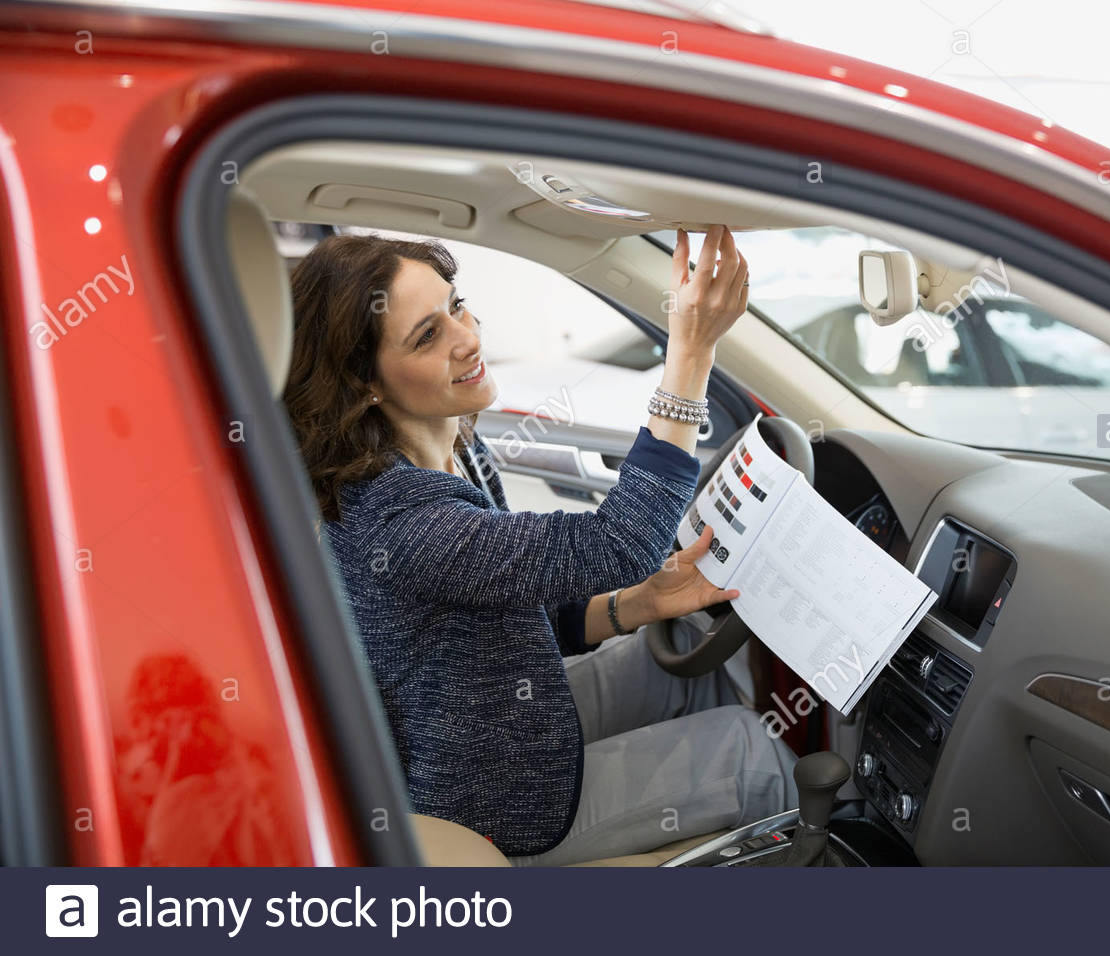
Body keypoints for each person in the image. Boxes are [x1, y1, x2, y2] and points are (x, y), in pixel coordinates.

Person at [283, 224, 797, 865]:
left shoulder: (455, 449)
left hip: (512, 720)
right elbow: (619, 546)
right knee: (760, 750)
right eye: (427, 336)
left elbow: (506, 611)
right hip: (498, 807)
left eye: (456, 305)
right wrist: (690, 354)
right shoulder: (401, 521)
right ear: (367, 385)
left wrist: (636, 606)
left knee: (683, 657)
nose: (468, 338)